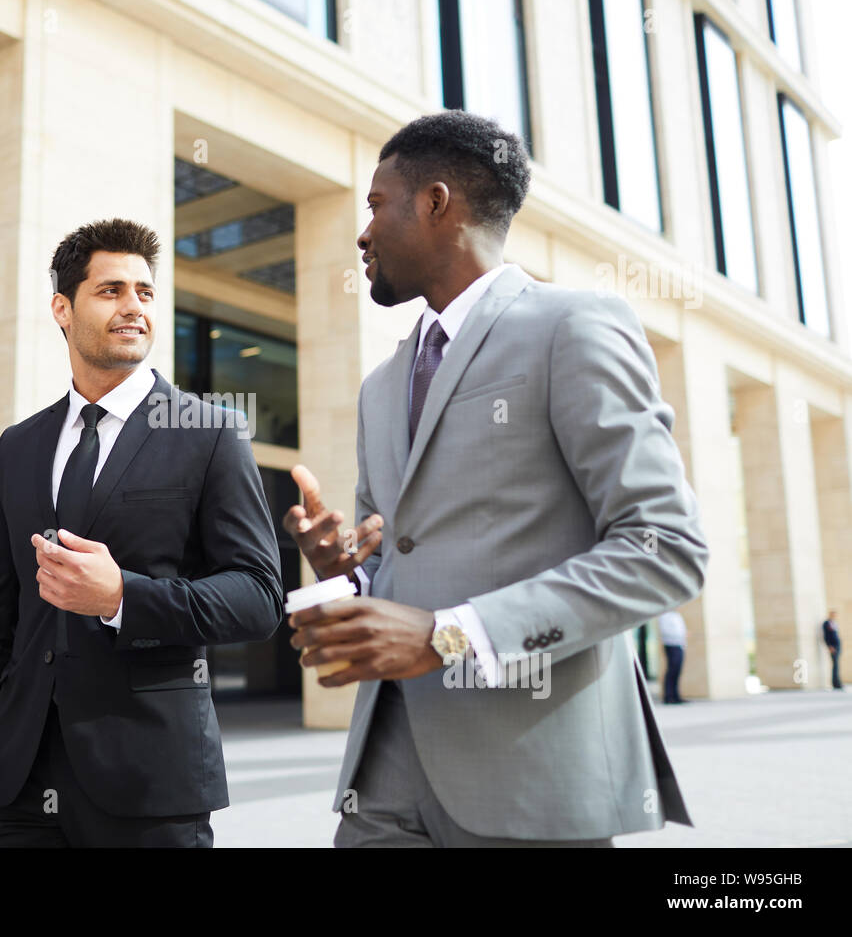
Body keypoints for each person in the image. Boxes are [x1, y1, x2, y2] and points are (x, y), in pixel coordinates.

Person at [282, 111, 709, 847]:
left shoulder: (573, 325)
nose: (363, 232)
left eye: (376, 206)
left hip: (529, 776)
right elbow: (393, 563)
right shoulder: (380, 385)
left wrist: (449, 636)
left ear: (437, 203)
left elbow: (665, 547)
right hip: (382, 780)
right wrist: (344, 574)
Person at [0, 219, 283, 847]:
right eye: (111, 290)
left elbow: (258, 598)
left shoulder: (209, 434)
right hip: (16, 782)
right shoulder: (19, 446)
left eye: (145, 293)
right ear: (62, 309)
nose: (134, 308)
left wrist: (123, 597)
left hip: (148, 781)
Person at [658, 611, 688, 704]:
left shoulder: (677, 615)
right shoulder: (664, 615)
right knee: (672, 670)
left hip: (680, 644)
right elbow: (665, 631)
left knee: (677, 671)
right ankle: (668, 696)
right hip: (671, 644)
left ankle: (676, 695)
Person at [823, 610, 842, 691]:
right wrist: (829, 646)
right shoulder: (826, 623)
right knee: (835, 665)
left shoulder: (834, 623)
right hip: (833, 646)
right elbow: (826, 636)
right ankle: (836, 684)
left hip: (838, 645)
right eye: (833, 614)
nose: (834, 616)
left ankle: (838, 683)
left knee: (837, 664)